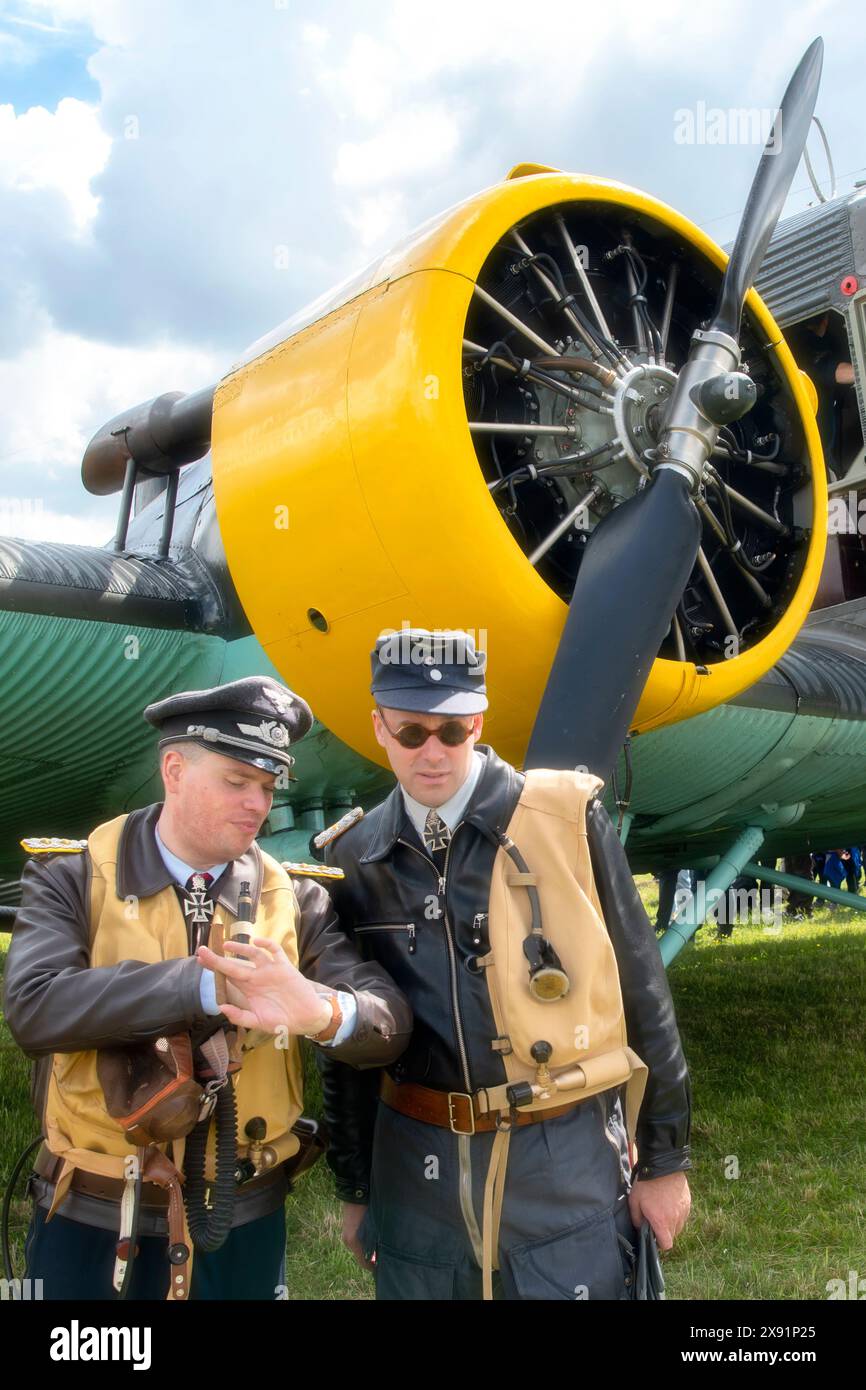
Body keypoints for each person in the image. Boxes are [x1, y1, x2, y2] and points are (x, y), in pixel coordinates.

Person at [308, 628, 692, 1301]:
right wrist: (358, 1185)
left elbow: (643, 992)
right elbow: (345, 1045)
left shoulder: (566, 817)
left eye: (453, 732)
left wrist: (664, 1162)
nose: (433, 753)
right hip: (415, 1171)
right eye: (411, 732)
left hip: (561, 1162)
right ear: (378, 727)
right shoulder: (354, 855)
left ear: (477, 722)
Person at [3, 676, 411, 1301]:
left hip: (243, 1217)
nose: (258, 804)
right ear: (173, 769)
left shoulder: (298, 899)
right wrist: (201, 986)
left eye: (268, 787)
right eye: (236, 781)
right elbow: (34, 1007)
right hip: (95, 1213)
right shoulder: (73, 877)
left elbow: (388, 1020)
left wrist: (326, 1012)